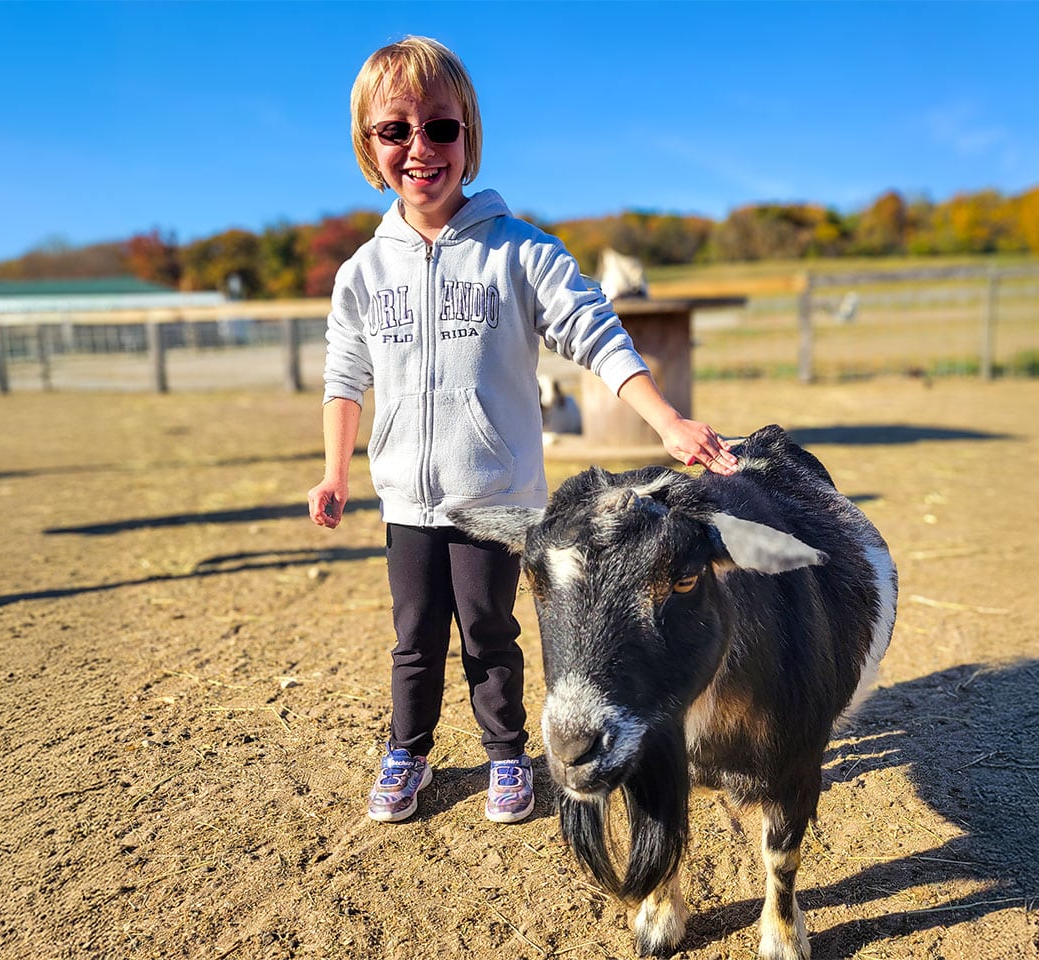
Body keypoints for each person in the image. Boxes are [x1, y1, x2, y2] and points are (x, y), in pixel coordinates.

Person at [307, 35, 738, 825]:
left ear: (469, 136)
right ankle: (408, 749)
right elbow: (345, 377)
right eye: (394, 130)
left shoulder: (520, 252)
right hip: (406, 500)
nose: (419, 148)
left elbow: (593, 330)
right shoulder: (363, 273)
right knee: (413, 637)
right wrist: (336, 472)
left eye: (440, 128)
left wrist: (665, 418)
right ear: (369, 148)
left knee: (490, 631)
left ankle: (508, 755)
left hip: (495, 499)